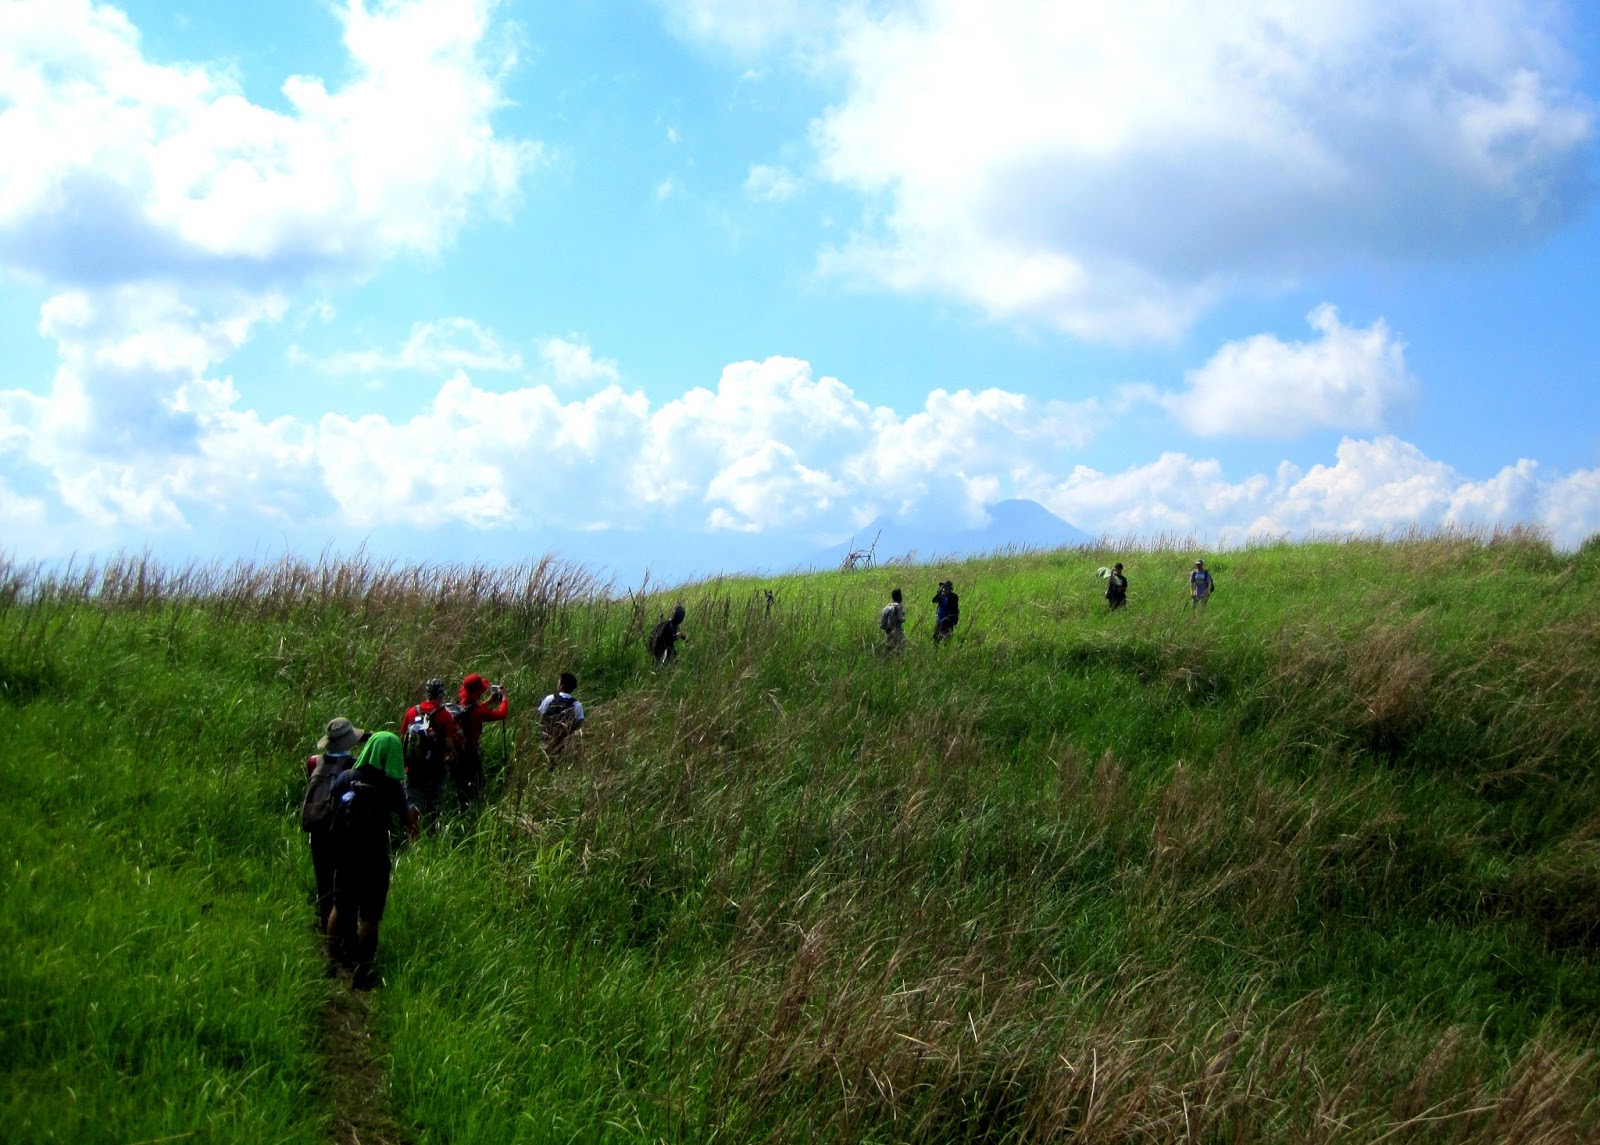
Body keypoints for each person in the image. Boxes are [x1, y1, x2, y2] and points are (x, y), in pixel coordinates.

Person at [326, 731, 418, 989]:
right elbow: (406, 818)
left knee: (340, 907)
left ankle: (331, 962)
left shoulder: (346, 777)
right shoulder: (391, 786)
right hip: (375, 857)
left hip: (345, 854)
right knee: (369, 917)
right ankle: (363, 970)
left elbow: (333, 807)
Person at [301, 716, 364, 933]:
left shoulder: (314, 761)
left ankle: (324, 928)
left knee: (323, 882)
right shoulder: (355, 766)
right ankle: (345, 933)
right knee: (346, 884)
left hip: (317, 828)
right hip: (342, 832)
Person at [400, 679, 462, 830]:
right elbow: (448, 744)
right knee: (434, 801)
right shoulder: (445, 716)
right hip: (435, 767)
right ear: (441, 694)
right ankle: (433, 832)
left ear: (427, 693)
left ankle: (414, 835)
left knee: (414, 801)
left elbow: (402, 738)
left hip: (413, 766)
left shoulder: (412, 711)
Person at [451, 673, 508, 810]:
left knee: (461, 784)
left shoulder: (458, 706)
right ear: (478, 692)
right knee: (477, 783)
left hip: (456, 752)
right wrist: (504, 698)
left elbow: (474, 709)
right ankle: (474, 810)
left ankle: (462, 808)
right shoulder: (478, 712)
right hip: (471, 752)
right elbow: (502, 714)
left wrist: (489, 701)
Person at [538, 671, 586, 759]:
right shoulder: (577, 705)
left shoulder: (550, 698)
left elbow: (542, 719)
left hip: (547, 739)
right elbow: (580, 727)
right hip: (565, 743)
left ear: (561, 685)